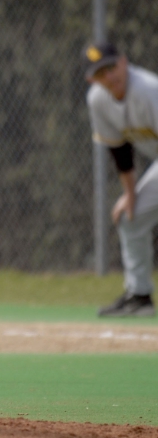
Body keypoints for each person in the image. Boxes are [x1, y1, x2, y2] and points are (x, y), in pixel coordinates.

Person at [84, 41, 158, 318]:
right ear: (91, 79)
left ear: (124, 62)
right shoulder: (98, 100)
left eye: (112, 67)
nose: (109, 76)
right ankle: (139, 296)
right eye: (101, 73)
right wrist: (130, 194)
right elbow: (120, 150)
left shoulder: (149, 90)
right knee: (131, 216)